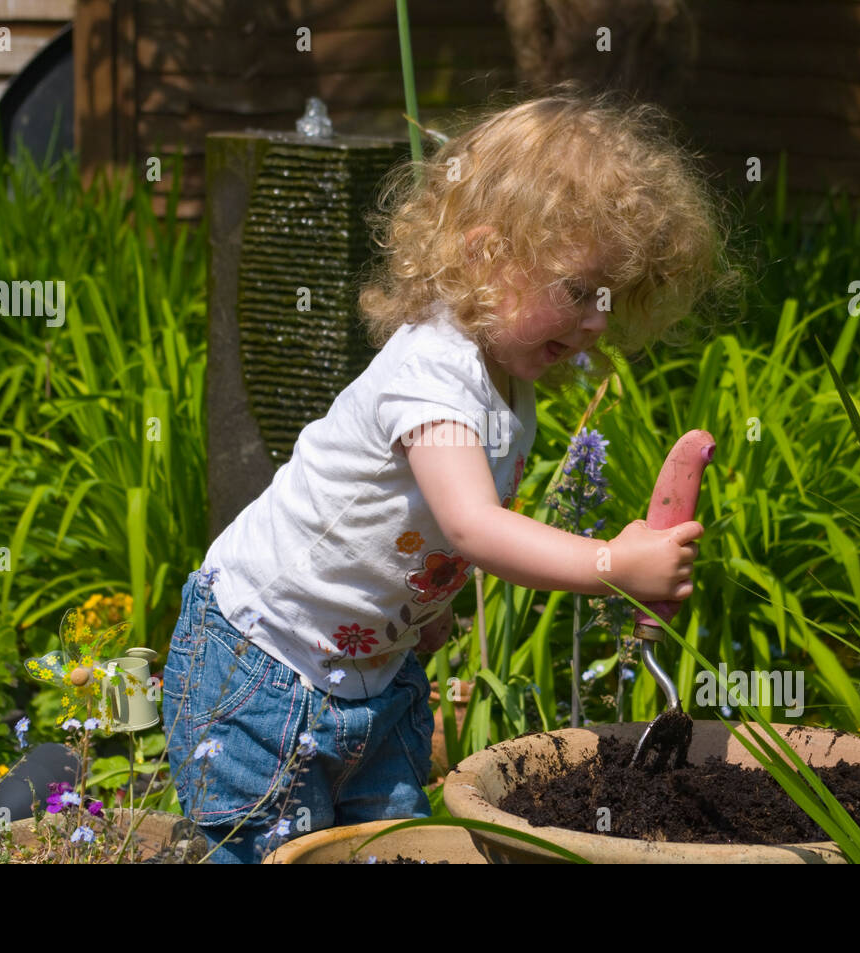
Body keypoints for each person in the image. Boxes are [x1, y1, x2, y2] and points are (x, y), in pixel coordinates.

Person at [162, 85, 733, 863]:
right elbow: (473, 525)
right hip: (265, 666)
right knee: (276, 851)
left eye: (613, 299)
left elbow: (435, 533)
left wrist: (427, 611)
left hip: (376, 672)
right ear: (483, 252)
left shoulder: (511, 386)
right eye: (579, 290)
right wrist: (612, 566)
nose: (598, 320)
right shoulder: (432, 369)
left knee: (397, 845)